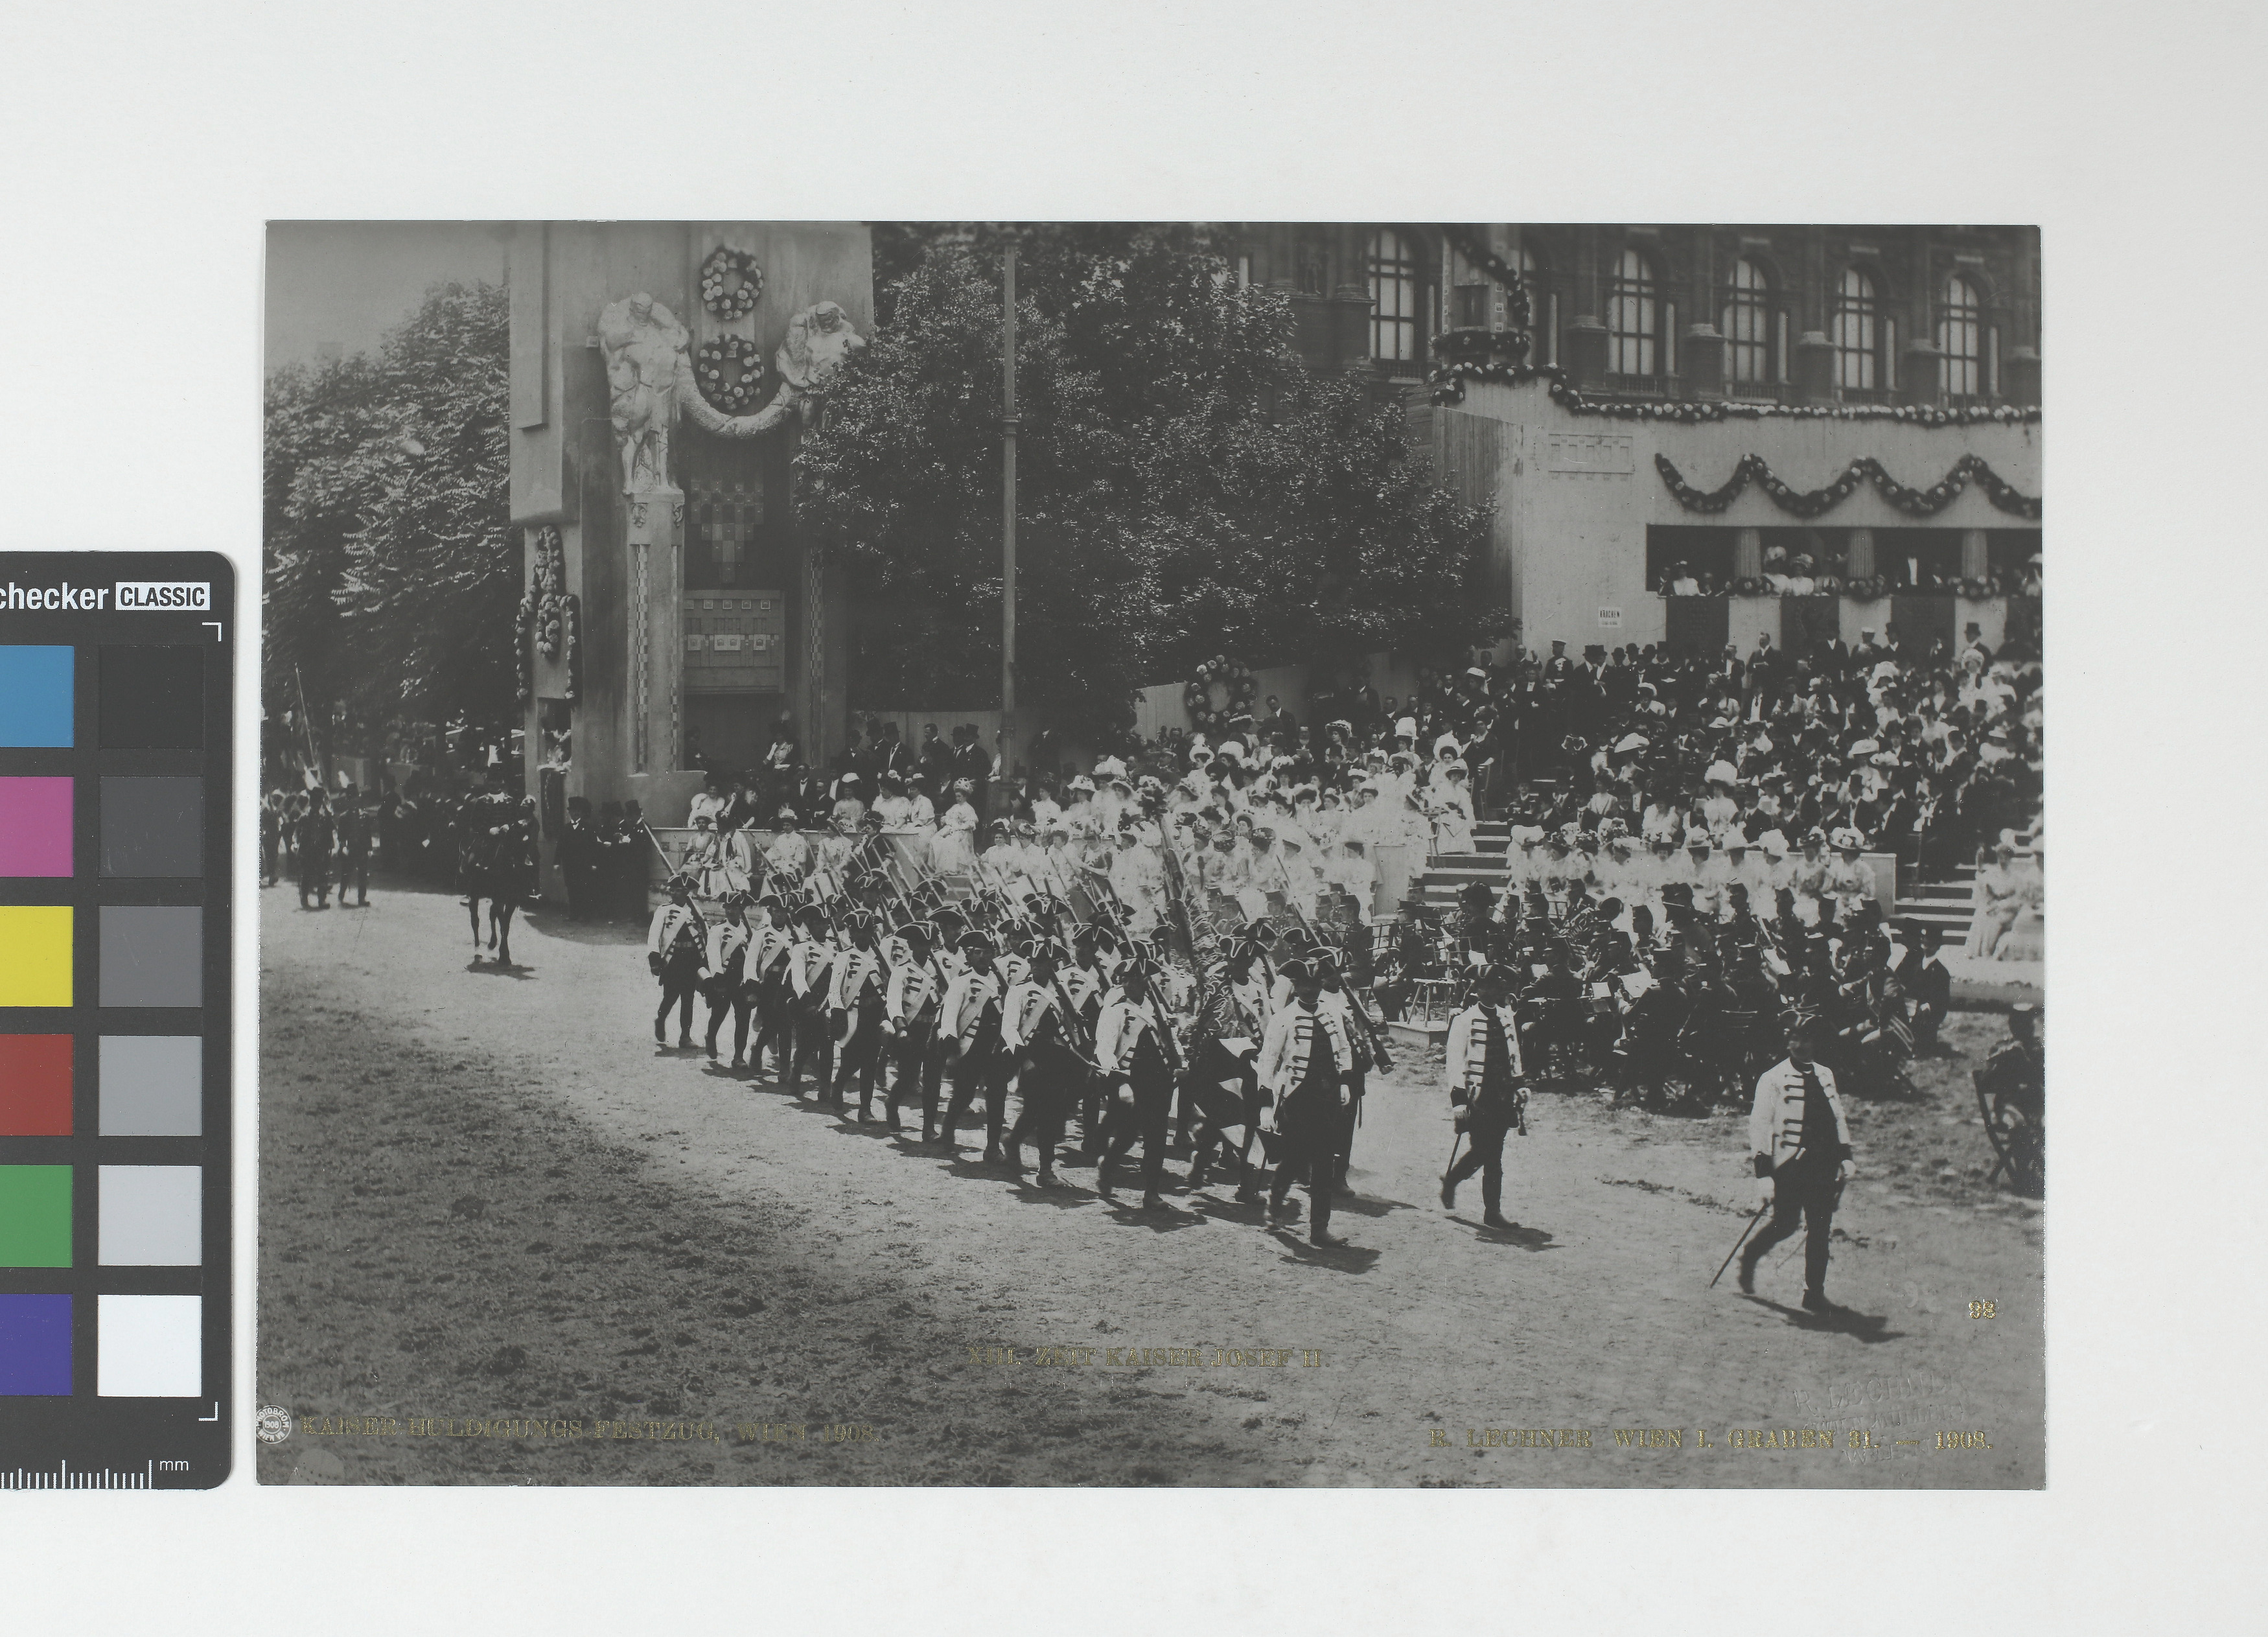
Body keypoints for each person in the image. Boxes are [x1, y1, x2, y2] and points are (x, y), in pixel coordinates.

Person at [1737, 1015, 1856, 1313]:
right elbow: (1760, 1126)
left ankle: (1814, 1293)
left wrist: (1845, 1155)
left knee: (1820, 1230)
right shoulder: (1773, 1078)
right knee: (1786, 1224)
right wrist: (1764, 1174)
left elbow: (1837, 1118)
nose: (1799, 1045)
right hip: (1790, 1165)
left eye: (1806, 1039)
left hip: (1823, 1164)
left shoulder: (1826, 1074)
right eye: (1794, 1038)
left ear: (1816, 1043)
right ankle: (1750, 1255)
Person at [1255, 959, 1356, 1246]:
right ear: (1295, 986)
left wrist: (1345, 1081)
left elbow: (1344, 1048)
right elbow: (1267, 1061)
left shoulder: (1332, 1012)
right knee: (1295, 1158)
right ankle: (1275, 1205)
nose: (1309, 990)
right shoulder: (1284, 1018)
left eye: (1314, 984)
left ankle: (1319, 1228)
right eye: (1303, 985)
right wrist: (1266, 1105)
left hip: (1327, 1097)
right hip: (1297, 1098)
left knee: (1325, 1161)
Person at [1439, 963, 1529, 1230]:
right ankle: (1463, 1188)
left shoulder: (1507, 1016)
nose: (1491, 992)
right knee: (1486, 1152)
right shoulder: (1463, 1020)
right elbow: (1454, 1062)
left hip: (1502, 1094)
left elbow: (1514, 1052)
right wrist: (1459, 1101)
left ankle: (1485, 1206)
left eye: (1495, 987)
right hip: (1477, 1096)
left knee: (1492, 1152)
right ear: (1476, 990)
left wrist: (1519, 1083)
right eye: (1485, 987)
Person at [1094, 957, 1180, 1211]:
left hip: (1159, 1079)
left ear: (1146, 983)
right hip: (1130, 1079)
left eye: (1137, 980)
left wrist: (1181, 1063)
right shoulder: (1116, 1011)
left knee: (1157, 1137)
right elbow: (1105, 1050)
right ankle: (1108, 1166)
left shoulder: (1158, 1010)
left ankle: (1151, 1193)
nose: (1131, 985)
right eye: (1127, 980)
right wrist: (1119, 1081)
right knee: (1128, 1135)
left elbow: (1172, 1041)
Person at [935, 932, 1008, 1155]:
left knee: (997, 1095)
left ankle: (993, 1147)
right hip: (970, 1046)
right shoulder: (961, 982)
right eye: (978, 952)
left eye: (987, 952)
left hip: (995, 1046)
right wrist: (951, 1053)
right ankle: (948, 1129)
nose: (983, 957)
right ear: (969, 955)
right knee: (964, 1095)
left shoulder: (1000, 982)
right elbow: (949, 1019)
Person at [646, 874, 707, 1049]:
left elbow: (704, 933)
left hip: (691, 959)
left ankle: (685, 1036)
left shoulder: (695, 911)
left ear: (686, 892)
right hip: (673, 960)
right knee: (670, 996)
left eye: (678, 890)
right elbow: (654, 936)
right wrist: (655, 959)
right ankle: (661, 1019)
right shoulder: (664, 910)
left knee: (688, 998)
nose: (674, 893)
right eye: (672, 890)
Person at [700, 890, 756, 1065]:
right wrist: (718, 980)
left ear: (742, 910)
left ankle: (738, 1056)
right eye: (728, 908)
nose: (731, 911)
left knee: (743, 1018)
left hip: (742, 980)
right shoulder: (717, 930)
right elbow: (714, 956)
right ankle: (711, 1036)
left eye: (735, 908)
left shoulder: (750, 932)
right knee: (719, 1012)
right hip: (724, 978)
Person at [295, 789, 336, 911]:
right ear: (311, 803)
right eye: (315, 803)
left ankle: (322, 900)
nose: (317, 805)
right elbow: (297, 833)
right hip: (307, 851)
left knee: (323, 875)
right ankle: (304, 899)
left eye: (319, 803)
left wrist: (331, 846)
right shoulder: (304, 817)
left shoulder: (324, 818)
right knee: (306, 875)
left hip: (321, 851)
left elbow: (330, 832)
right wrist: (296, 845)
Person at [334, 785, 373, 907]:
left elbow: (368, 834)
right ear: (348, 801)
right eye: (351, 800)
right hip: (350, 849)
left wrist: (370, 849)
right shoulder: (344, 817)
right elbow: (341, 836)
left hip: (362, 849)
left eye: (356, 799)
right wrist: (343, 847)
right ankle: (342, 893)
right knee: (346, 873)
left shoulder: (364, 816)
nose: (354, 802)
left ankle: (362, 898)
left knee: (363, 874)